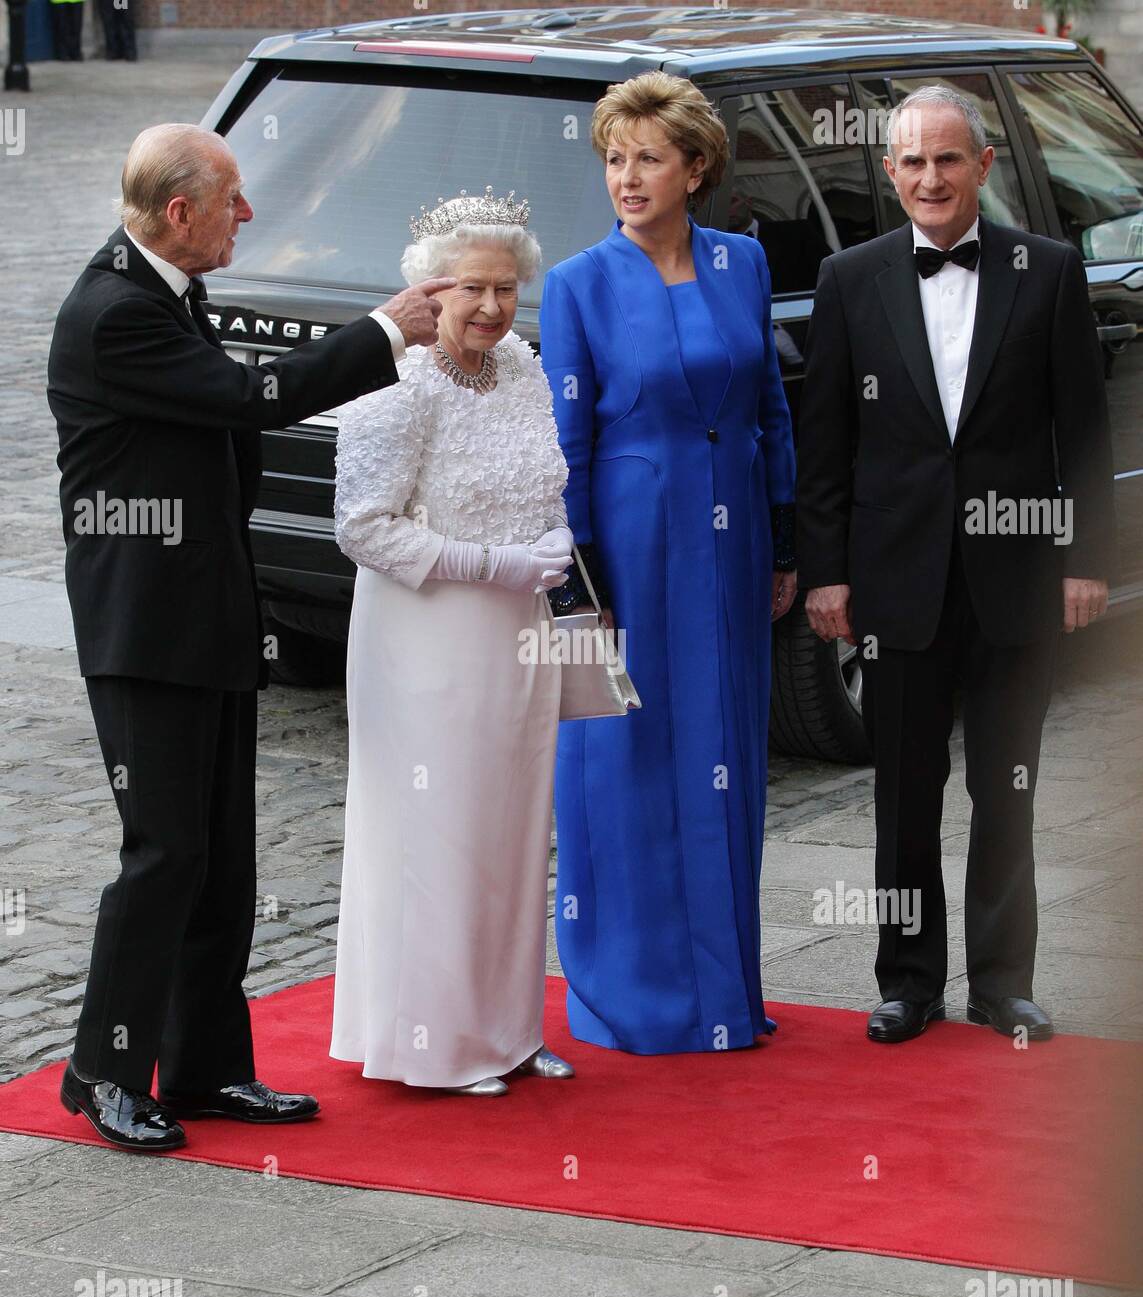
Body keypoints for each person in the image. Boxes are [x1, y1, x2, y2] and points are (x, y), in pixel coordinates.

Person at [46, 123, 454, 1150]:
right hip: (144, 630)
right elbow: (249, 397)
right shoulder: (111, 314)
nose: (250, 213)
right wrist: (384, 329)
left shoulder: (165, 291)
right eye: (234, 197)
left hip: (210, 616)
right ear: (179, 212)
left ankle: (206, 1067)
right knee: (165, 853)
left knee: (221, 860)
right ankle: (103, 1071)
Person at [796, 86, 1116, 1045]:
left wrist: (1084, 560)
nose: (929, 178)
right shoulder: (848, 278)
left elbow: (1084, 432)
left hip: (1015, 580)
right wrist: (826, 572)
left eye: (947, 160)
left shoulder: (1048, 270)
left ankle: (1003, 984)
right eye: (911, 162)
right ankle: (906, 983)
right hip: (895, 582)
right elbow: (826, 443)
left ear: (982, 167)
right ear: (888, 173)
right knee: (902, 791)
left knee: (1005, 787)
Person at [539, 73, 798, 1055]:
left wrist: (786, 541)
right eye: (614, 158)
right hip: (621, 562)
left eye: (649, 157)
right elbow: (563, 446)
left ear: (696, 168)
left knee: (724, 750)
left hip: (728, 560)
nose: (628, 176)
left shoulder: (744, 264)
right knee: (614, 766)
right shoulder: (575, 284)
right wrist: (577, 593)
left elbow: (772, 408)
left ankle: (724, 993)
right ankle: (629, 993)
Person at [329, 188, 576, 1096]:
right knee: (441, 829)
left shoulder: (520, 365)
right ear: (428, 290)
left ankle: (507, 1029)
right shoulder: (395, 380)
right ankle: (436, 1041)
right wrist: (489, 561)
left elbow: (540, 480)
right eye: (469, 287)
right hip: (426, 630)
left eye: (506, 288)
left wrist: (552, 547)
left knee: (513, 829)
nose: (489, 307)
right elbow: (362, 528)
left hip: (521, 628)